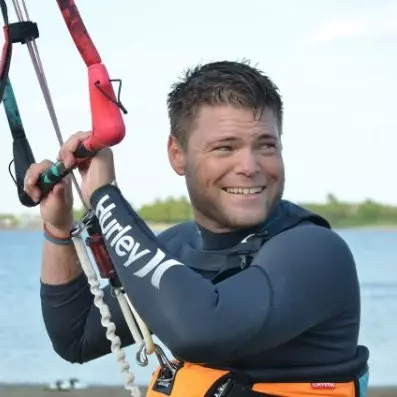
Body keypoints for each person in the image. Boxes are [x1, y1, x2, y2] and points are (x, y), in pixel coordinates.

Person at [24, 60, 369, 397]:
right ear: (177, 154)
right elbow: (76, 338)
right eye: (225, 148)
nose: (249, 166)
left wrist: (104, 196)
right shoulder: (178, 247)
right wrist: (58, 227)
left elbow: (202, 330)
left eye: (266, 145)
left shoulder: (315, 252)